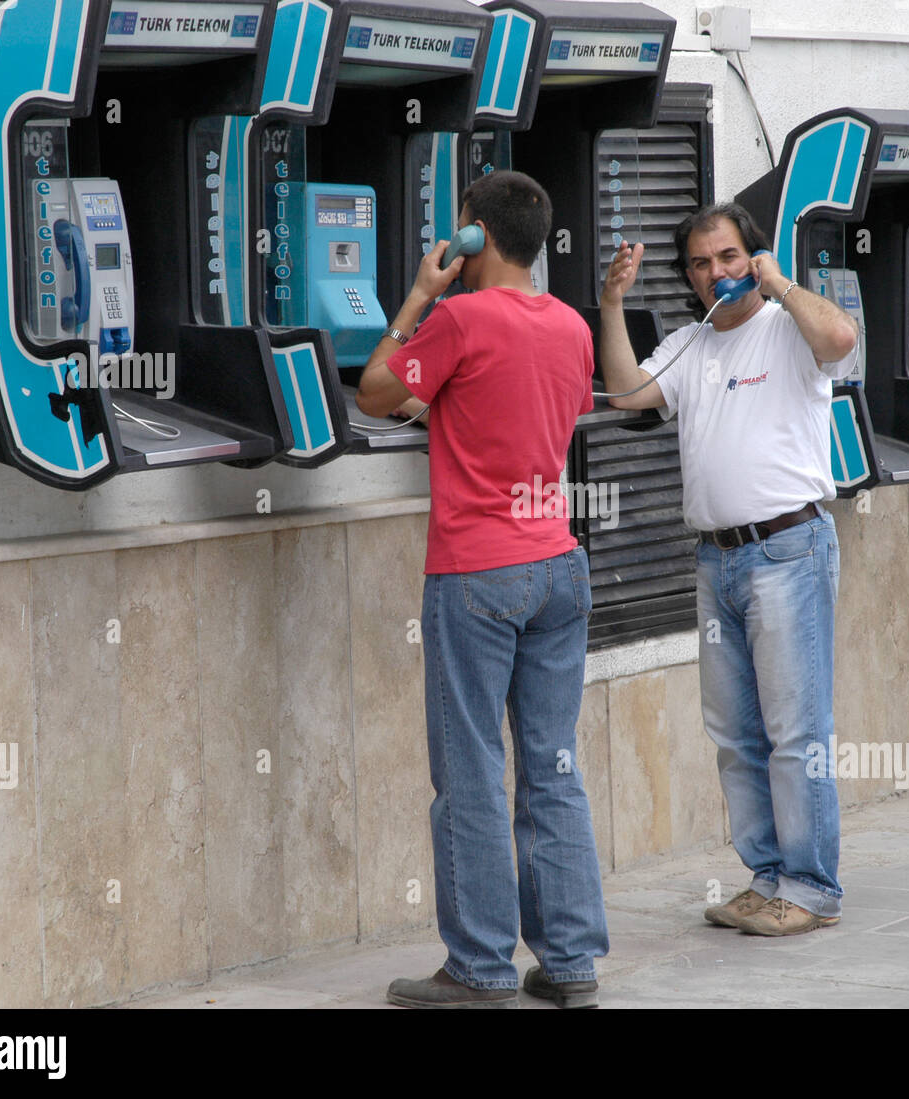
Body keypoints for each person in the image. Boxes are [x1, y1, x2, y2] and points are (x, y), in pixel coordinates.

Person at [356, 170, 608, 1008]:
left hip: (478, 568)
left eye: (461, 231)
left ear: (476, 237)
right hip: (558, 563)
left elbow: (377, 389)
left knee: (470, 768)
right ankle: (570, 963)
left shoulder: (458, 316)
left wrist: (416, 300)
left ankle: (481, 966)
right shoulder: (571, 325)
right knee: (553, 766)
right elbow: (544, 412)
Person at [597, 202, 859, 936]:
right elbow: (625, 393)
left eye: (729, 256)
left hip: (788, 551)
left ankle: (812, 887)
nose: (717, 272)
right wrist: (612, 304)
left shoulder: (788, 328)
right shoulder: (691, 343)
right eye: (702, 262)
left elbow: (840, 336)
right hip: (717, 559)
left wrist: (777, 282)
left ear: (753, 255)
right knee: (735, 732)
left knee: (795, 729)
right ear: (687, 275)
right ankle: (767, 874)